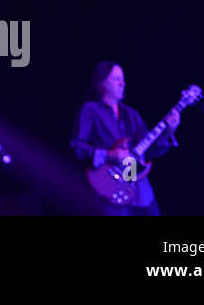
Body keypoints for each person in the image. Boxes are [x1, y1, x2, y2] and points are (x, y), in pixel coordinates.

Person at [70, 61, 180, 215]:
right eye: (116, 79)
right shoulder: (90, 110)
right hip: (111, 189)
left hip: (141, 191)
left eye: (122, 78)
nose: (122, 83)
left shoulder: (132, 114)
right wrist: (110, 155)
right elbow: (78, 147)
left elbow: (149, 152)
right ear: (102, 83)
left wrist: (169, 131)